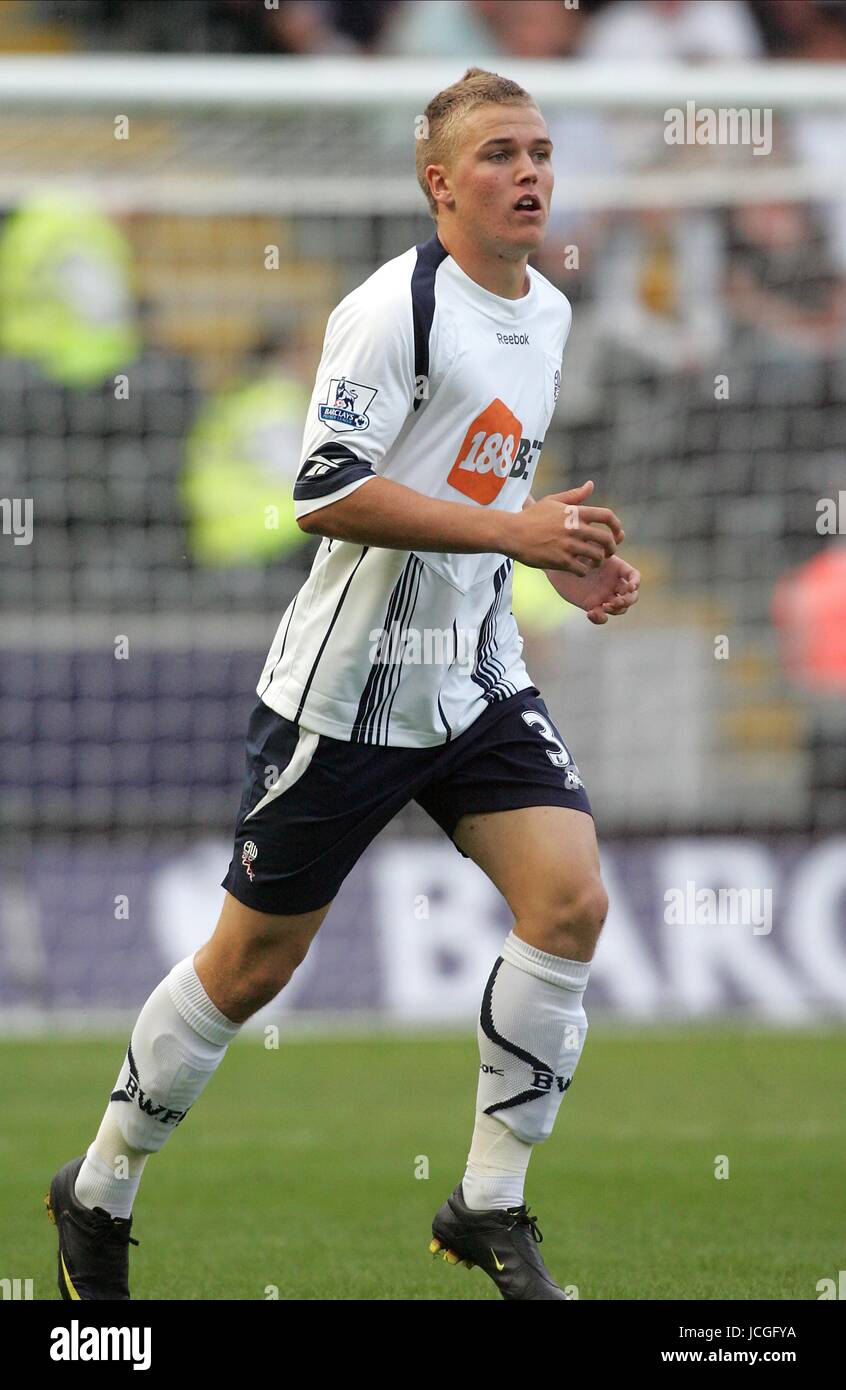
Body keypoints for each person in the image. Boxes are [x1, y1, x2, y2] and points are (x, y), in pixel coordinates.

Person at [46, 66, 640, 1303]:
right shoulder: (392, 308)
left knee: (571, 901)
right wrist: (511, 536)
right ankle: (97, 1185)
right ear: (439, 184)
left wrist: (561, 563)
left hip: (474, 675)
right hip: (349, 692)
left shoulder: (551, 313)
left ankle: (488, 1201)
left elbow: (484, 488)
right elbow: (322, 489)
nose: (529, 171)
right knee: (252, 965)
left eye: (538, 150)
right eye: (497, 155)